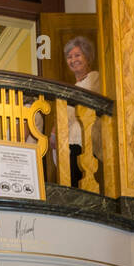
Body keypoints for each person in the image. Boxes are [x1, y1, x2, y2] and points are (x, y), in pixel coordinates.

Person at [51, 36, 103, 187]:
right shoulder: (75, 85)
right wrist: (54, 133)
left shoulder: (94, 77)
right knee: (71, 182)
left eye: (77, 55)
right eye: (69, 57)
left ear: (87, 57)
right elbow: (65, 115)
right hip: (70, 141)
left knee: (81, 182)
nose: (73, 60)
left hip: (84, 139)